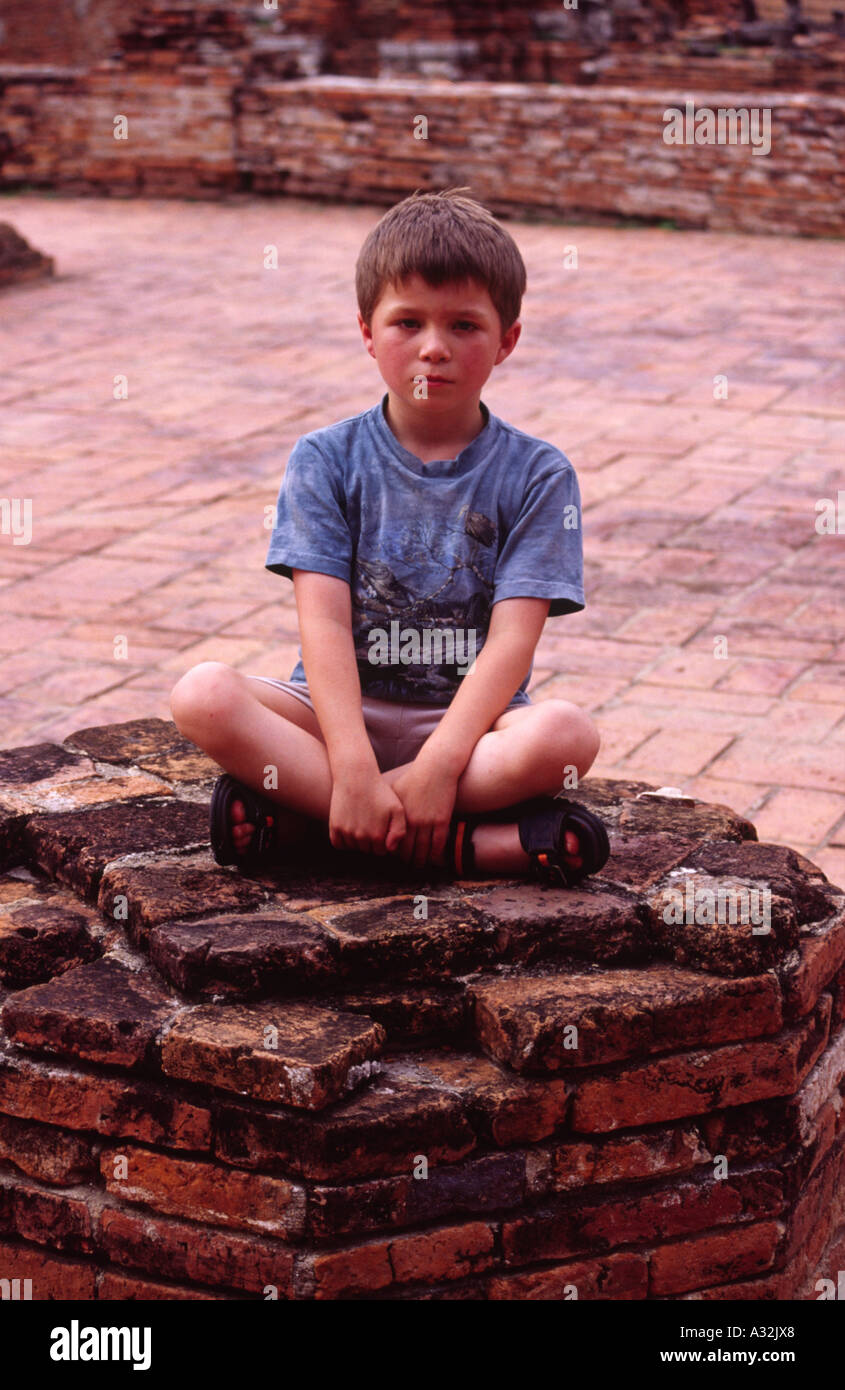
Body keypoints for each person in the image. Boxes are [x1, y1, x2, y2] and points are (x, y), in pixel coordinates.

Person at [170, 188, 609, 884]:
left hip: (467, 728)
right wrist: (349, 764)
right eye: (407, 321)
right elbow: (321, 621)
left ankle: (314, 830)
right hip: (335, 712)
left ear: (507, 340)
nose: (433, 348)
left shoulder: (537, 474)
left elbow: (513, 641)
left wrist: (437, 765)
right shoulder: (326, 459)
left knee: (565, 738)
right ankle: (466, 845)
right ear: (368, 332)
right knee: (202, 694)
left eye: (464, 325)